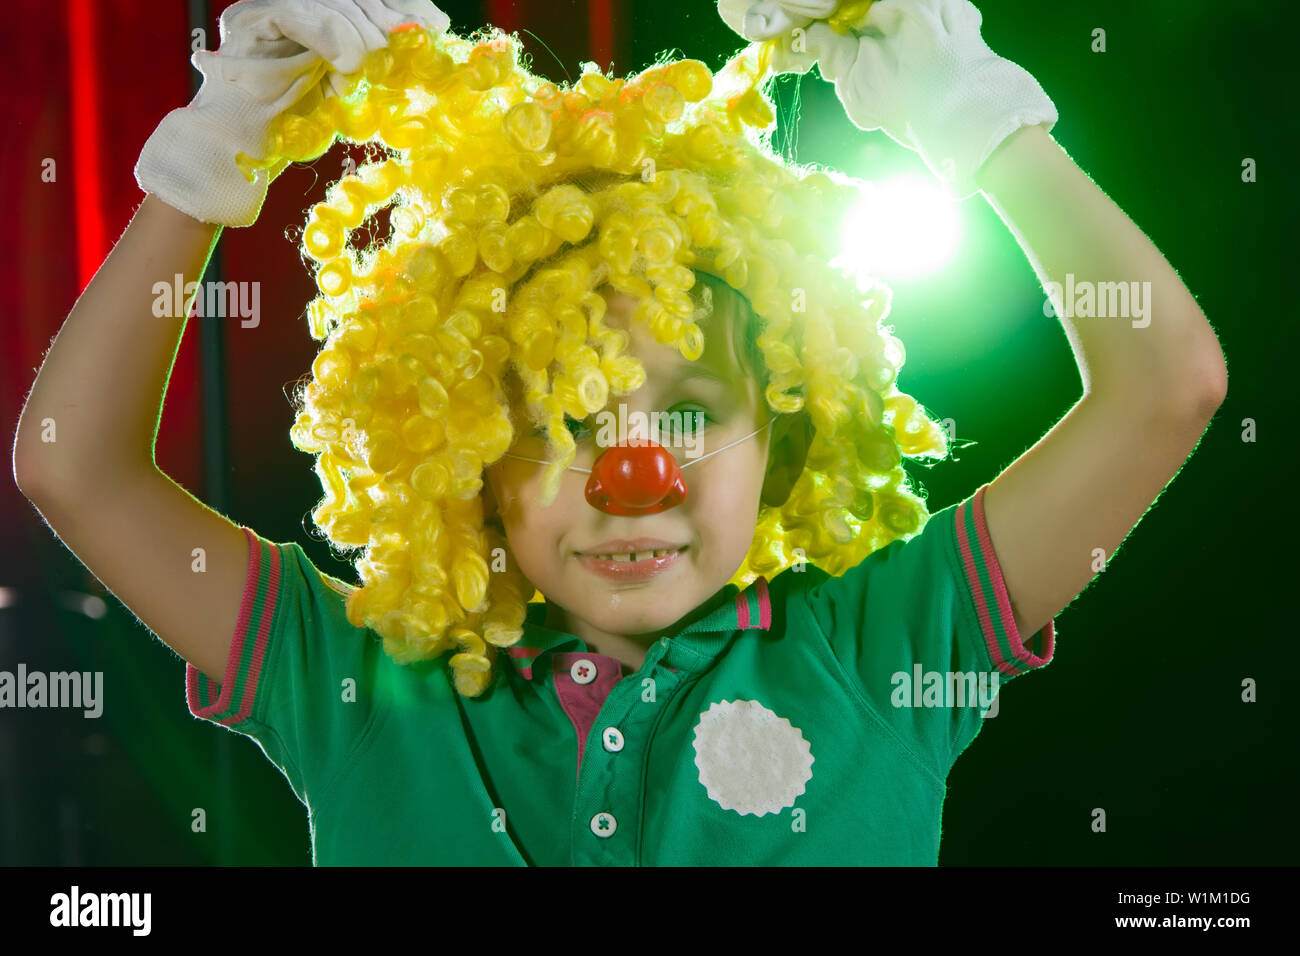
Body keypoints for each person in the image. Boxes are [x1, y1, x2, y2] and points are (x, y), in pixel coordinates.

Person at [13, 0, 1227, 865]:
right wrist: (210, 155)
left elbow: (1166, 379)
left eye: (692, 412)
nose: (636, 478)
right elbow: (70, 461)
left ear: (788, 438)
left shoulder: (878, 653)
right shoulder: (360, 686)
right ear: (466, 462)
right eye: (562, 418)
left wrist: (973, 115)